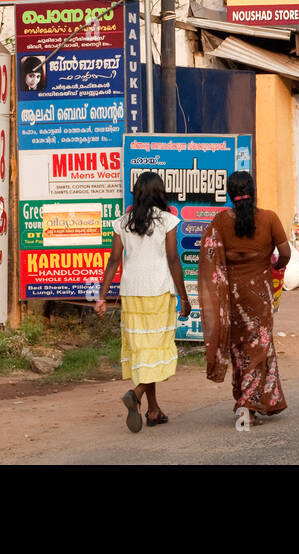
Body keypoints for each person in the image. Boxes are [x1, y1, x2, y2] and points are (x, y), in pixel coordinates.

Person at [94, 171, 191, 432]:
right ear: (159, 193)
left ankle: (154, 410)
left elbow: (114, 260)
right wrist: (184, 296)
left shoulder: (123, 222)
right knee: (157, 351)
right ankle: (136, 395)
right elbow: (173, 259)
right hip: (158, 292)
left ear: (136, 193)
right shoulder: (168, 221)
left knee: (144, 353)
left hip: (132, 293)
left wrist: (101, 296)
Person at [196, 171, 290, 424]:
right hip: (259, 295)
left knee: (240, 349)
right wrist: (274, 266)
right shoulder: (269, 219)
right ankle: (247, 406)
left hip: (232, 297)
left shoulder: (219, 222)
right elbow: (285, 253)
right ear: (253, 191)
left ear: (230, 194)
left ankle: (249, 400)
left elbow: (209, 260)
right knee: (258, 347)